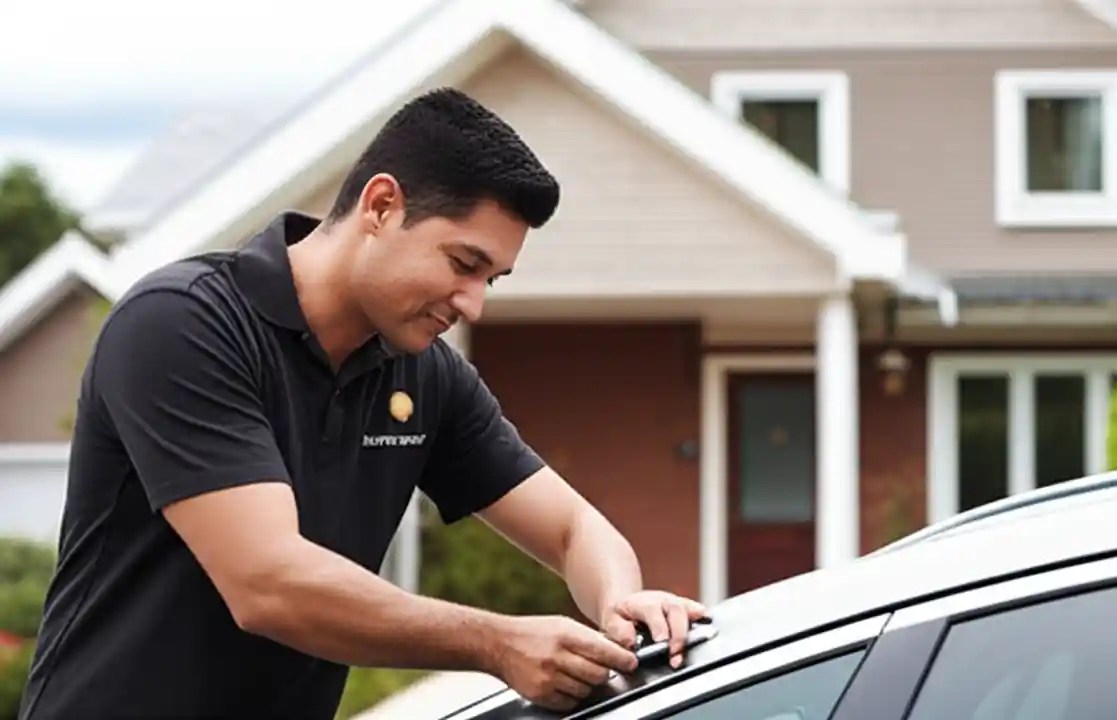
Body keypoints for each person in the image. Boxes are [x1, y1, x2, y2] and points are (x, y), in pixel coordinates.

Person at [19, 88, 707, 719]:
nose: (472, 304)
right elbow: (267, 584)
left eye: (491, 280)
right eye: (464, 264)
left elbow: (572, 531)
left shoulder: (424, 375)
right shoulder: (183, 325)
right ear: (381, 207)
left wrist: (618, 601)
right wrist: (497, 643)